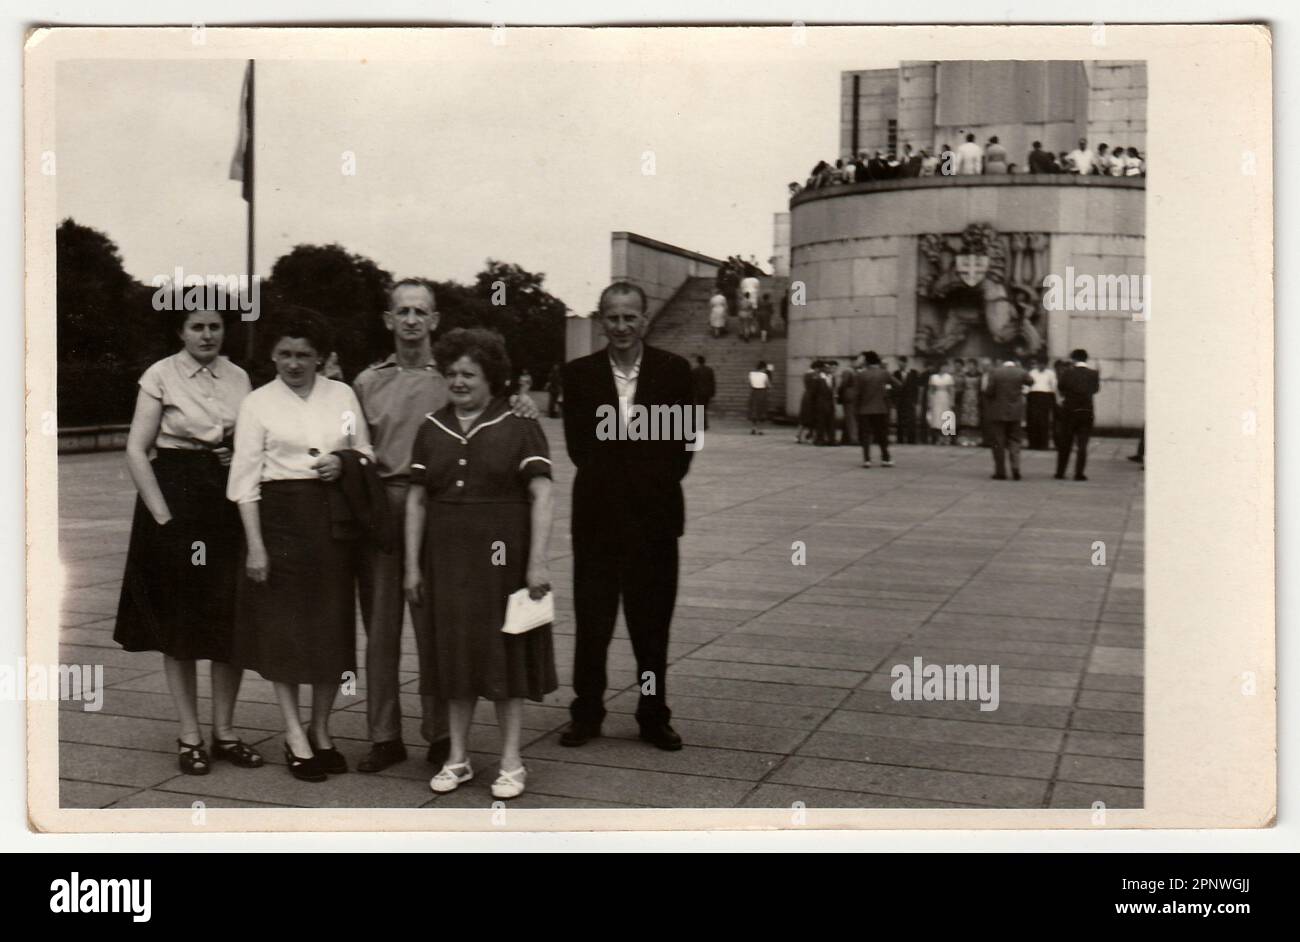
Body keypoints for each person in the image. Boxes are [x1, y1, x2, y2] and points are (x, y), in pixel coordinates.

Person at [405, 328, 556, 800]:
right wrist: (412, 565)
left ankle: (512, 761)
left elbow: (542, 492)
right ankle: (458, 757)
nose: (459, 381)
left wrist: (536, 562)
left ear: (491, 377)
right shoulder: (431, 427)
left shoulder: (519, 423)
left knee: (505, 657)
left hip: (504, 558)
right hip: (446, 559)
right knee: (455, 657)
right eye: (451, 372)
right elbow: (416, 501)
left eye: (469, 373)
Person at [114, 308, 263, 776]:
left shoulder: (240, 378)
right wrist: (162, 516)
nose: (206, 334)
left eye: (215, 326)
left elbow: (252, 439)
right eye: (197, 326)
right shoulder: (160, 374)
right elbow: (137, 448)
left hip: (224, 500)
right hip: (176, 496)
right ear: (181, 331)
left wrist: (234, 452)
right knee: (178, 622)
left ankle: (225, 731)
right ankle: (189, 734)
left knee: (228, 617)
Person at [227, 312, 373, 782]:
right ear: (272, 354)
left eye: (304, 355)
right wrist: (256, 548)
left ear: (320, 358)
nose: (294, 364)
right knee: (285, 633)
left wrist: (343, 461)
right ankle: (293, 734)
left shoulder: (342, 394)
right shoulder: (257, 403)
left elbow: (367, 451)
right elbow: (245, 480)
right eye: (285, 354)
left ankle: (322, 730)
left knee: (331, 629)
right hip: (281, 522)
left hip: (332, 521)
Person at [559, 282, 695, 751]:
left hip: (655, 521)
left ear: (645, 319)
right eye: (612, 318)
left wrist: (643, 484)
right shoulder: (578, 375)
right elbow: (581, 449)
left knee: (652, 625)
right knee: (593, 622)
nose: (621, 327)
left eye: (629, 317)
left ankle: (653, 712)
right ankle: (587, 710)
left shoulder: (675, 372)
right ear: (601, 320)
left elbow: (683, 449)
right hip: (597, 519)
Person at [982, 358, 1031, 480]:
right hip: (1015, 412)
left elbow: (989, 391)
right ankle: (1015, 468)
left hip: (998, 412)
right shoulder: (1021, 372)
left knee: (998, 442)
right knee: (1015, 440)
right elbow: (1030, 381)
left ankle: (1000, 472)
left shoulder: (995, 372)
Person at [1055, 348, 1101, 481]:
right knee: (1082, 444)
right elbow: (1096, 389)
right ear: (1086, 359)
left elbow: (1061, 387)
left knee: (1065, 443)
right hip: (1086, 411)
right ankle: (1079, 473)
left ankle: (1060, 472)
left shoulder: (1067, 372)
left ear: (1074, 359)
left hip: (1069, 411)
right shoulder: (1093, 373)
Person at [854, 351, 895, 468]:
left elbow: (856, 394)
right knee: (882, 435)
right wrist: (886, 394)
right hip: (881, 408)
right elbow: (898, 385)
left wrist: (856, 408)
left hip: (864, 409)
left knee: (866, 435)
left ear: (866, 361)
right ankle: (886, 458)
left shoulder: (861, 375)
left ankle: (867, 460)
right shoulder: (884, 373)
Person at [1026, 355, 1057, 449]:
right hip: (1033, 396)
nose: (1041, 366)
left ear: (1046, 365)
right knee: (1033, 421)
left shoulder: (1050, 373)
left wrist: (1053, 398)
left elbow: (1053, 386)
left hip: (1045, 397)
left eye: (1043, 364)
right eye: (1039, 364)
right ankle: (1033, 444)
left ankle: (1043, 444)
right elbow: (1027, 386)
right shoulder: (1032, 372)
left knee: (1044, 421)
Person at [927, 360, 957, 444]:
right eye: (943, 366)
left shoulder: (949, 377)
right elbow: (930, 390)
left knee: (946, 416)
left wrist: (952, 401)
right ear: (940, 367)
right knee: (937, 417)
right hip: (936, 398)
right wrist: (929, 401)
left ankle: (946, 438)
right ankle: (938, 438)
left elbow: (951, 390)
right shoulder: (933, 377)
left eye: (946, 366)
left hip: (945, 397)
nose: (945, 368)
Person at [892, 356, 920, 444]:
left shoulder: (913, 373)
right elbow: (893, 388)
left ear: (906, 363)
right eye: (899, 363)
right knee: (899, 420)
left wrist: (915, 400)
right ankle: (900, 439)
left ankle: (911, 439)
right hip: (900, 400)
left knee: (911, 420)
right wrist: (894, 401)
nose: (901, 364)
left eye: (902, 362)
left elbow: (916, 388)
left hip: (910, 400)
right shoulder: (895, 374)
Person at [957, 358, 983, 446]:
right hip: (966, 396)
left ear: (975, 365)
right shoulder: (965, 375)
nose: (970, 366)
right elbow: (961, 386)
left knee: (974, 419)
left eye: (972, 364)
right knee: (966, 419)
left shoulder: (980, 375)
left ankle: (974, 439)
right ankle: (965, 439)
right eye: (969, 365)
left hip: (975, 396)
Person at [812, 359, 837, 446]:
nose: (829, 369)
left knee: (831, 422)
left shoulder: (832, 378)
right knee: (821, 422)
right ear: (823, 368)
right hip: (820, 404)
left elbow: (833, 390)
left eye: (830, 367)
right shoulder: (817, 378)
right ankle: (820, 439)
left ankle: (832, 440)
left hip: (830, 403)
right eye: (827, 367)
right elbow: (813, 393)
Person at [837, 357, 860, 446]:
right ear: (853, 362)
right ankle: (850, 438)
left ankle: (849, 438)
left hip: (850, 398)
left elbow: (843, 385)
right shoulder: (851, 371)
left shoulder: (850, 371)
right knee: (850, 418)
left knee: (849, 418)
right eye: (857, 361)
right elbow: (844, 384)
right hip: (852, 398)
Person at [796, 361, 818, 443]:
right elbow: (814, 387)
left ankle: (800, 435)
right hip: (811, 398)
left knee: (804, 417)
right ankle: (809, 435)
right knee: (810, 417)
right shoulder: (813, 375)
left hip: (806, 396)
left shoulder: (807, 374)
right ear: (816, 368)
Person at [692, 355, 716, 431]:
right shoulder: (710, 370)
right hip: (707, 393)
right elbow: (712, 382)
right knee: (704, 408)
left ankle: (701, 424)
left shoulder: (695, 370)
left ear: (698, 361)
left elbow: (693, 383)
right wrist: (712, 392)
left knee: (699, 408)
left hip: (698, 392)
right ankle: (704, 424)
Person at [747, 360, 770, 435]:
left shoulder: (751, 374)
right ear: (763, 368)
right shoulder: (764, 375)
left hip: (754, 392)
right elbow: (768, 385)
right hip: (762, 393)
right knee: (761, 410)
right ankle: (760, 429)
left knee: (754, 409)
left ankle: (753, 428)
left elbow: (750, 383)